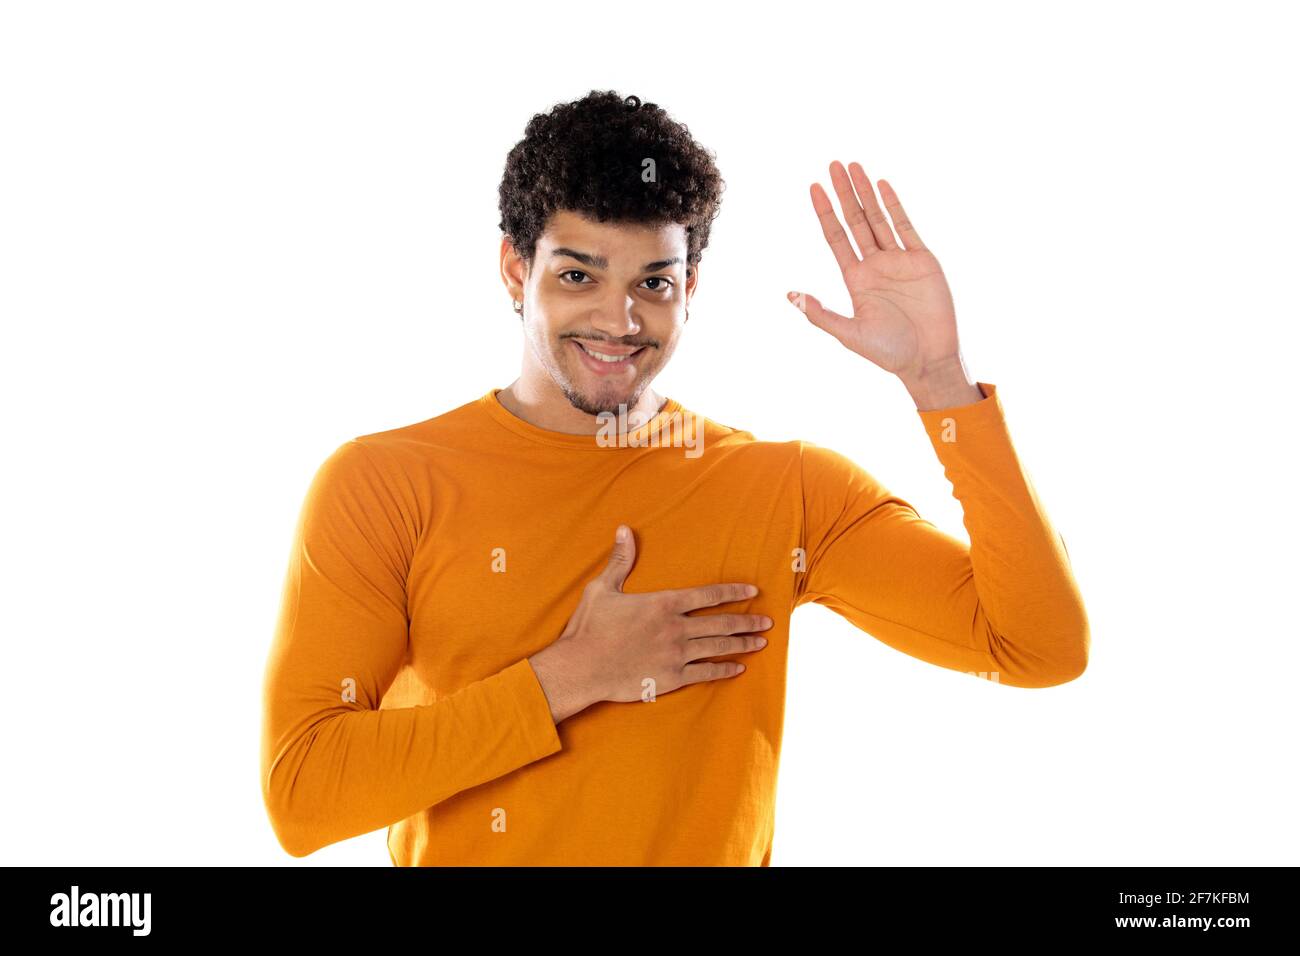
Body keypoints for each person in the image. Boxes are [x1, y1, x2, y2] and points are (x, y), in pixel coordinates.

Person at [260, 89, 1089, 866]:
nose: (619, 322)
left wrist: (939, 379)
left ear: (690, 287)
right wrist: (571, 675)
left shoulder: (783, 490)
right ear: (517, 271)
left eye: (652, 283)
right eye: (578, 275)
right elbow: (302, 795)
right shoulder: (383, 483)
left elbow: (1035, 647)